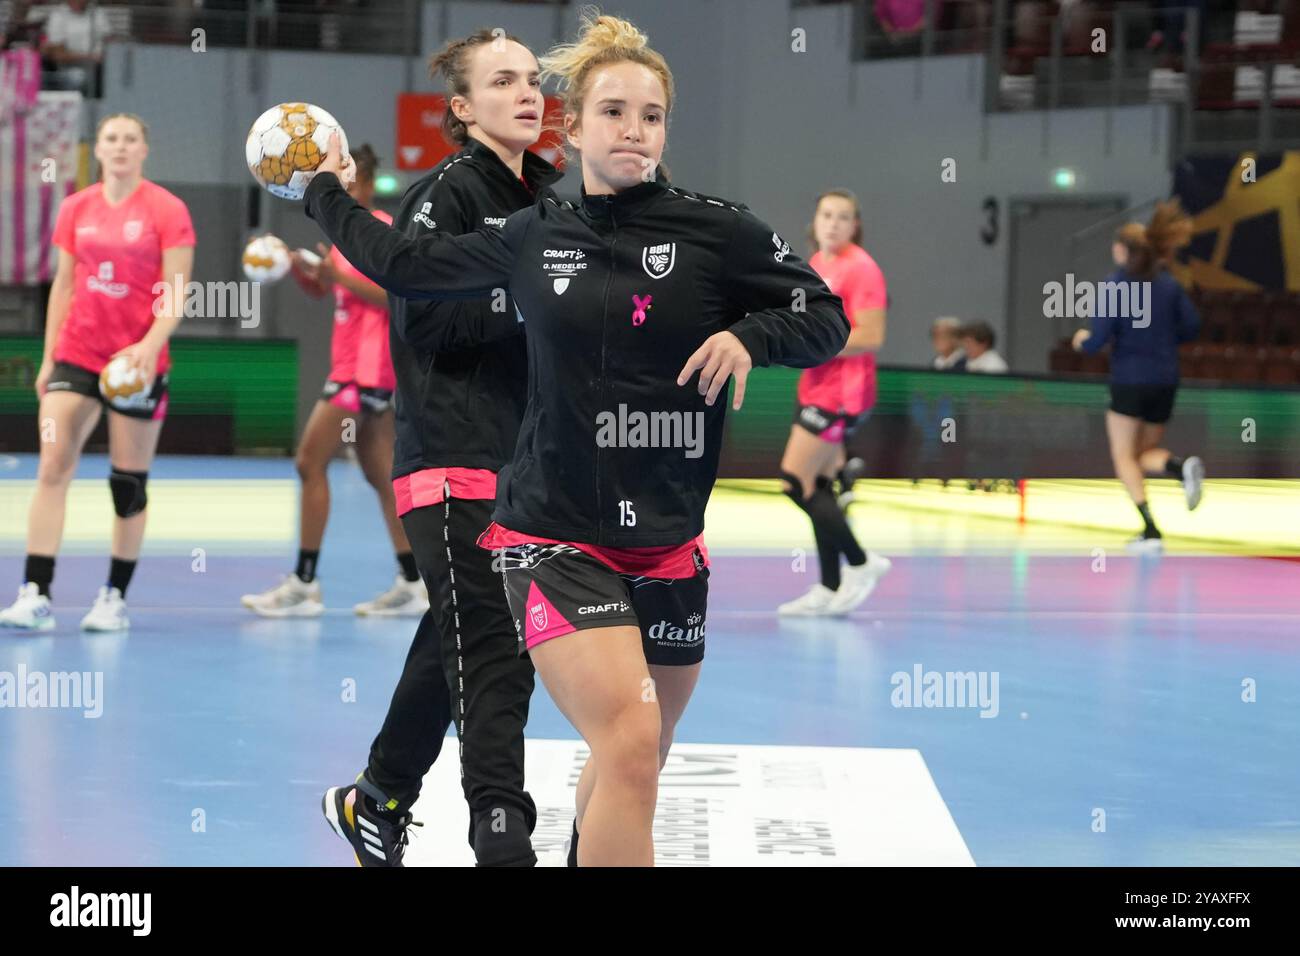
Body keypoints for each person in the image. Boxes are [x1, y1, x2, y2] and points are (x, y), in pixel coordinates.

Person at [303, 10, 849, 865]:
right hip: (552, 537)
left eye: (652, 115)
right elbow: (409, 269)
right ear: (579, 124)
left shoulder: (719, 230)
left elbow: (826, 316)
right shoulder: (533, 233)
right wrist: (326, 194)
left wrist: (754, 337)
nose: (634, 130)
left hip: (669, 544)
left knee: (638, 758)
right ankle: (482, 826)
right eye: (613, 112)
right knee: (627, 739)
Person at [320, 29, 560, 868]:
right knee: (495, 647)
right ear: (462, 108)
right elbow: (428, 314)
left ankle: (377, 794)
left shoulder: (556, 195)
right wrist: (535, 300)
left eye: (533, 78)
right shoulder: (449, 193)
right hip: (455, 460)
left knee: (458, 631)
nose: (528, 92)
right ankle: (503, 829)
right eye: (504, 81)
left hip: (532, 472)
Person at [0, 113, 193, 633]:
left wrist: (149, 348)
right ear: (99, 149)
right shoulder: (75, 208)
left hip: (134, 363)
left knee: (127, 482)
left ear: (144, 149)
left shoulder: (167, 210)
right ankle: (36, 593)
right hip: (77, 355)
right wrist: (47, 359)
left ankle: (114, 597)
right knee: (51, 466)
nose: (121, 146)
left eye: (131, 138)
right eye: (112, 138)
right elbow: (62, 287)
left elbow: (176, 290)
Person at [241, 145, 426, 619]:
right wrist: (308, 272)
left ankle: (304, 584)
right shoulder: (343, 235)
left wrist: (335, 276)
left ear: (364, 185)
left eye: (349, 181)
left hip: (363, 373)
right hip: (359, 372)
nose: (342, 189)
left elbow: (394, 294)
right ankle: (414, 583)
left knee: (308, 462)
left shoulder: (380, 229)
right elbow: (331, 287)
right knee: (383, 477)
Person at [777, 189, 892, 617]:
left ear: (854, 225)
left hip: (843, 394)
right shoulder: (816, 265)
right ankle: (829, 585)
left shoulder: (863, 269)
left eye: (844, 217)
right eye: (827, 214)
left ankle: (861, 562)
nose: (834, 223)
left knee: (794, 480)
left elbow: (871, 336)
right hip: (815, 386)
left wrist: (813, 341)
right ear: (816, 219)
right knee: (819, 486)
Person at [1072, 201, 1204, 553]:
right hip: (1165, 379)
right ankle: (1178, 466)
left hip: (1130, 378)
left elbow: (1097, 339)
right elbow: (1192, 327)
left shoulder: (1115, 285)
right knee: (1143, 451)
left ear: (1122, 250)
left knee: (1122, 454)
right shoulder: (1167, 284)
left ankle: (1150, 530)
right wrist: (1160, 336)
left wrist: (1082, 340)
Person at [39, 0, 112, 93]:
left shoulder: (98, 13)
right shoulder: (58, 15)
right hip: (70, 71)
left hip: (100, 69)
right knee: (78, 79)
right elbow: (58, 55)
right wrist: (90, 56)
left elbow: (109, 40)